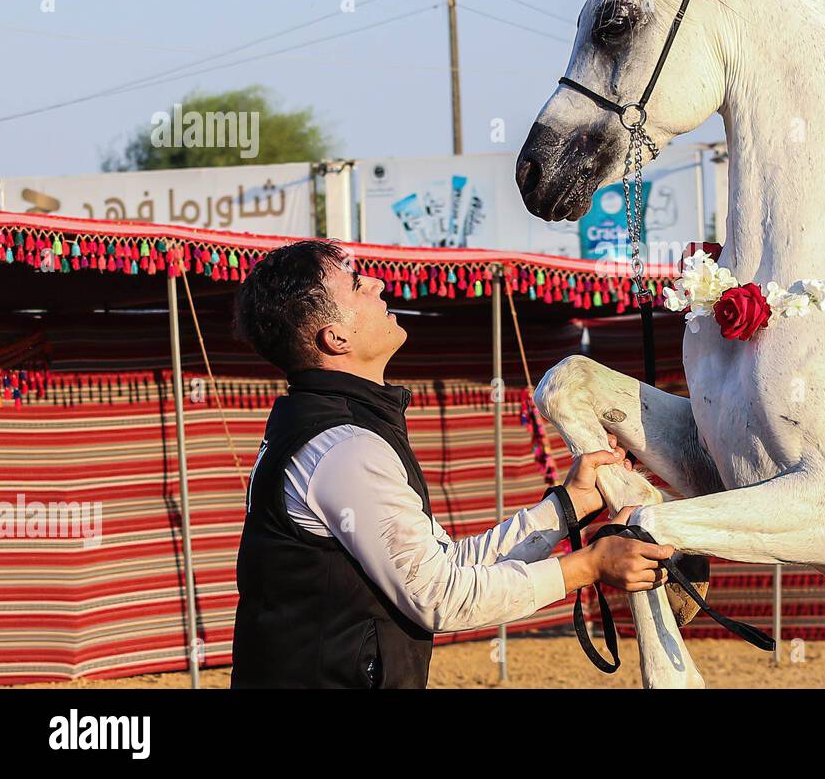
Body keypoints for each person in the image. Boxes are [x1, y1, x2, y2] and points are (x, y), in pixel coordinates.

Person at [229, 239, 672, 688]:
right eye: (357, 284)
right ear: (335, 337)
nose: (379, 283)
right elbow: (440, 596)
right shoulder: (344, 447)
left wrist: (568, 507)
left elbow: (446, 565)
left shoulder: (330, 427)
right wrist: (589, 566)